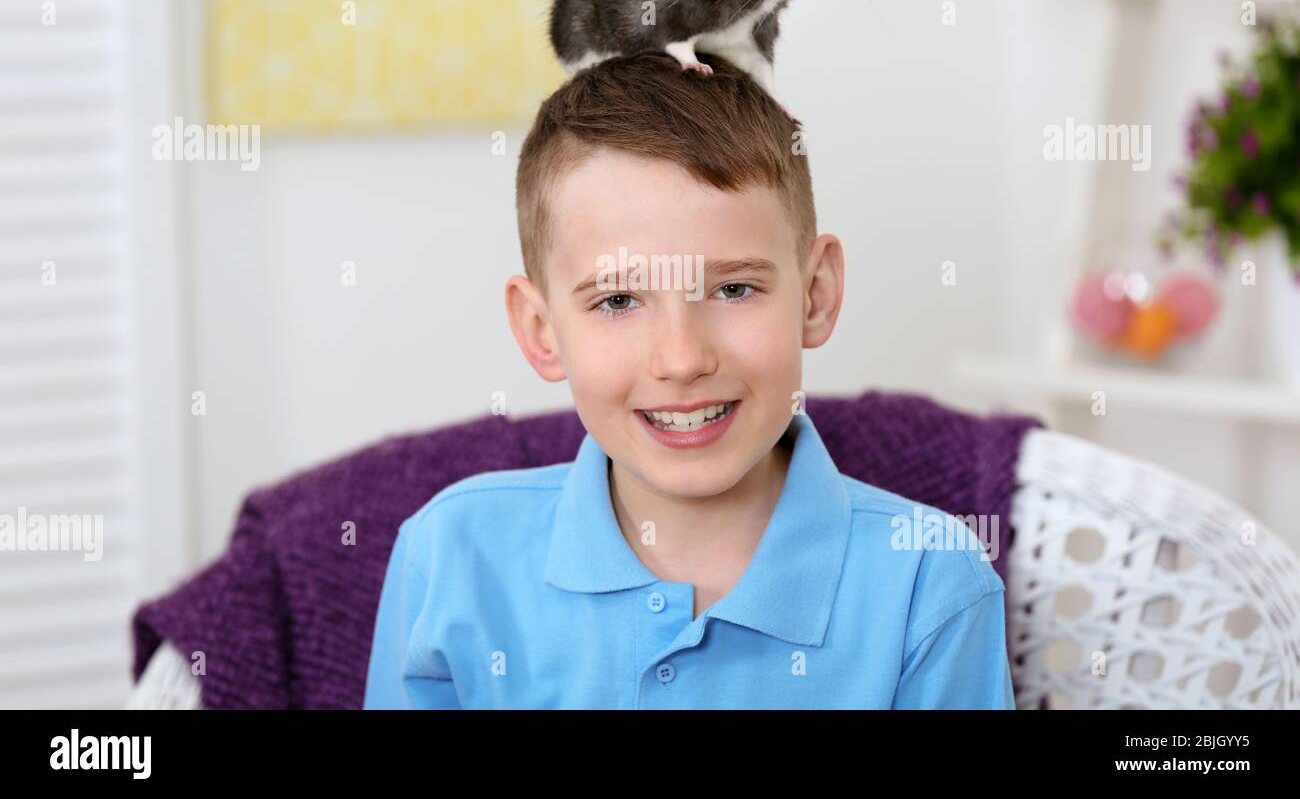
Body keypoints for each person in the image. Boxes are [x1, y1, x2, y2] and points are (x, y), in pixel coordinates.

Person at [362, 51, 1015, 709]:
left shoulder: (931, 582)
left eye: (733, 288)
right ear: (541, 329)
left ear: (814, 295)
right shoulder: (450, 557)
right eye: (617, 301)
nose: (681, 359)